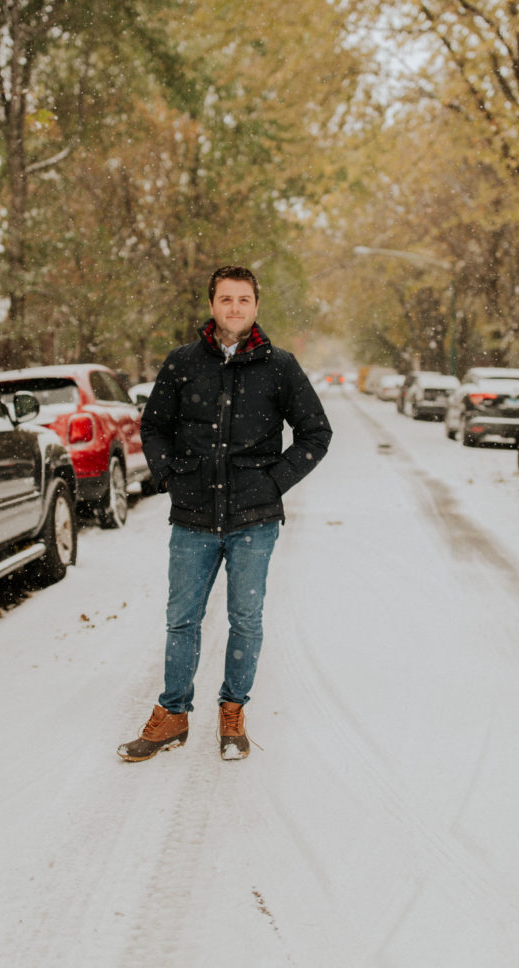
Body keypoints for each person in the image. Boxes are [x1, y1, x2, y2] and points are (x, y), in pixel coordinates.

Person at [117, 264, 332, 762]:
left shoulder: (281, 367)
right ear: (212, 305)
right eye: (226, 299)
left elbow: (316, 434)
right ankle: (172, 714)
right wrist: (169, 476)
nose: (234, 308)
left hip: (254, 521)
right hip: (193, 517)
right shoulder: (183, 362)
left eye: (244, 300)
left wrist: (274, 481)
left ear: (256, 306)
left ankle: (232, 710)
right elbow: (154, 427)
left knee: (246, 620)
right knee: (181, 619)